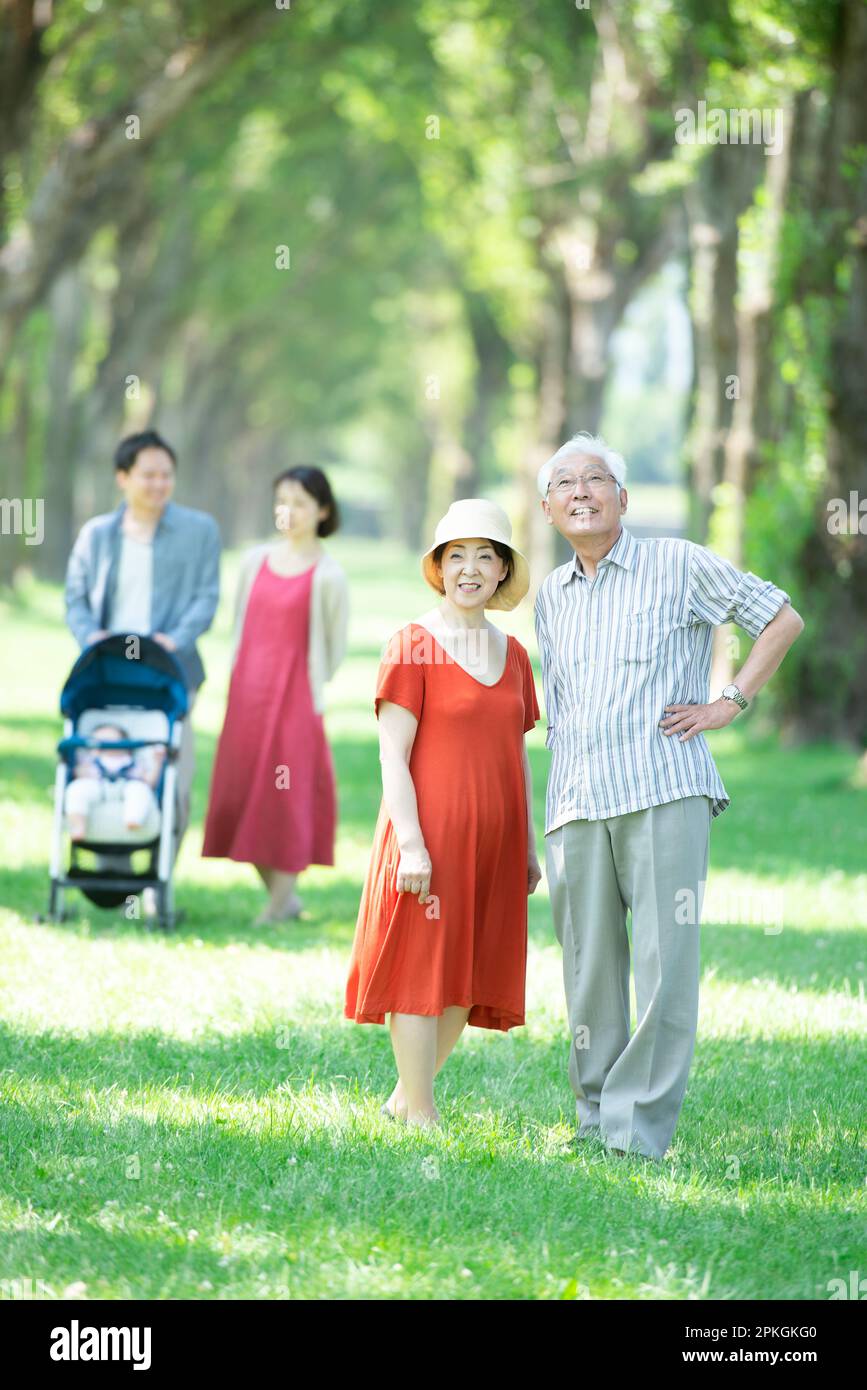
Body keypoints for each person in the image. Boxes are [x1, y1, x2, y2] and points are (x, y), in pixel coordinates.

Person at [533, 431, 805, 1161]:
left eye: (595, 480)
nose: (581, 492)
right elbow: (557, 708)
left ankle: (635, 1129)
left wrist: (731, 700)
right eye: (565, 484)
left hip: (663, 787)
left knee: (662, 967)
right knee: (588, 970)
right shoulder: (550, 597)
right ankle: (594, 1120)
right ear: (547, 507)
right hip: (577, 802)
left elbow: (779, 617)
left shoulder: (675, 563)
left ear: (622, 499)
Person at [344, 498, 542, 1129]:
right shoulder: (411, 644)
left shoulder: (513, 655)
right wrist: (411, 844)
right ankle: (422, 1113)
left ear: (503, 571)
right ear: (438, 566)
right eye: (457, 555)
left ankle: (405, 1099)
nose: (471, 569)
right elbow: (392, 758)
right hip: (427, 839)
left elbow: (517, 755)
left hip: (497, 840)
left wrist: (530, 847)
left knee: (469, 973)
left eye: (486, 556)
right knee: (420, 969)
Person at [64, 430, 221, 862]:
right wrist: (89, 638)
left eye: (166, 475)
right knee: (105, 767)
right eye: (148, 475)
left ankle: (158, 878)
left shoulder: (199, 530)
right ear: (122, 478)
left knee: (174, 776)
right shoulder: (96, 535)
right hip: (108, 675)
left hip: (171, 672)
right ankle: (114, 871)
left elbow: (206, 597)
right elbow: (75, 597)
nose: (158, 484)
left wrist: (173, 642)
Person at [201, 466, 348, 925]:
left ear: (322, 510)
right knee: (241, 792)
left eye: (300, 502)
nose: (289, 511)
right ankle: (285, 899)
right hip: (247, 695)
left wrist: (307, 690)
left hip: (296, 701)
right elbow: (239, 626)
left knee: (285, 796)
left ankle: (279, 902)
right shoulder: (254, 560)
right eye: (282, 500)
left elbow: (334, 645)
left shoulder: (328, 575)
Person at [64, 722, 165, 840]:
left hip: (127, 785)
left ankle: (134, 818)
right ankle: (78, 824)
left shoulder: (133, 762)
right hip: (97, 786)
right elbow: (78, 774)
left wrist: (157, 763)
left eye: (110, 740)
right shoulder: (91, 761)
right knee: (77, 788)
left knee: (141, 789)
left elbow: (148, 782)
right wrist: (79, 768)